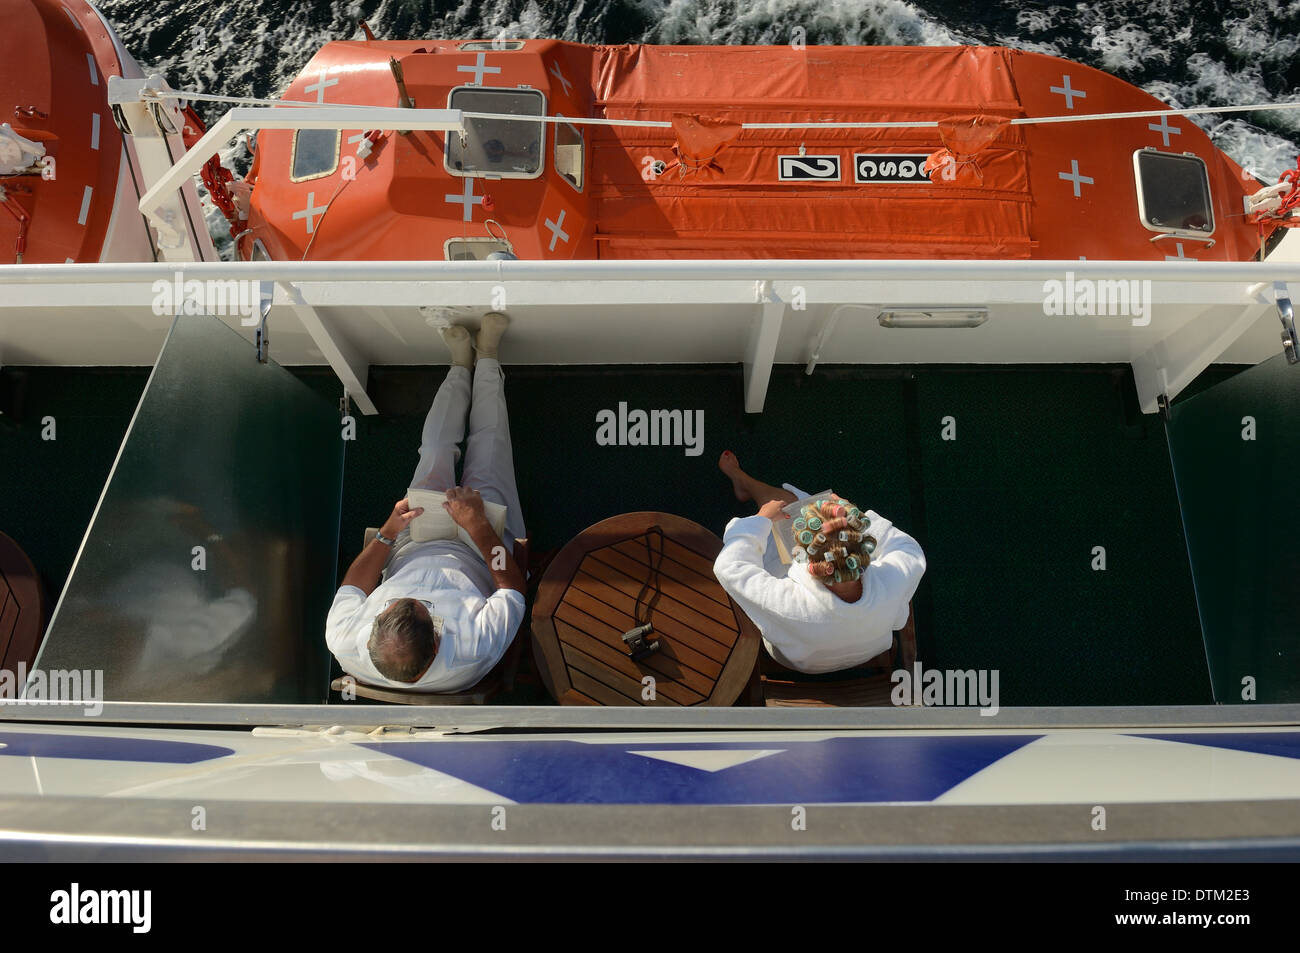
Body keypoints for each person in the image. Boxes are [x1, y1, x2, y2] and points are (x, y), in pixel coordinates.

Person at [325, 313, 527, 692]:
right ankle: (487, 358)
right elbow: (513, 589)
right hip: (483, 550)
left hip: (414, 541)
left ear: (375, 630)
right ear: (437, 642)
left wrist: (386, 534)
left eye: (387, 605)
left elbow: (353, 587)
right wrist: (478, 526)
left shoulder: (343, 639)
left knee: (433, 450)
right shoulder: (474, 648)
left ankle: (457, 368)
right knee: (489, 450)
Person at [713, 450, 926, 674]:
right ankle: (746, 484)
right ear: (862, 548)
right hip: (867, 652)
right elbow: (909, 549)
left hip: (797, 663)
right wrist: (855, 515)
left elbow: (730, 567)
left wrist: (761, 519)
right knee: (799, 507)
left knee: (787, 512)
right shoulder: (892, 581)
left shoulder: (790, 604)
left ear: (805, 559)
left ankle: (745, 483)